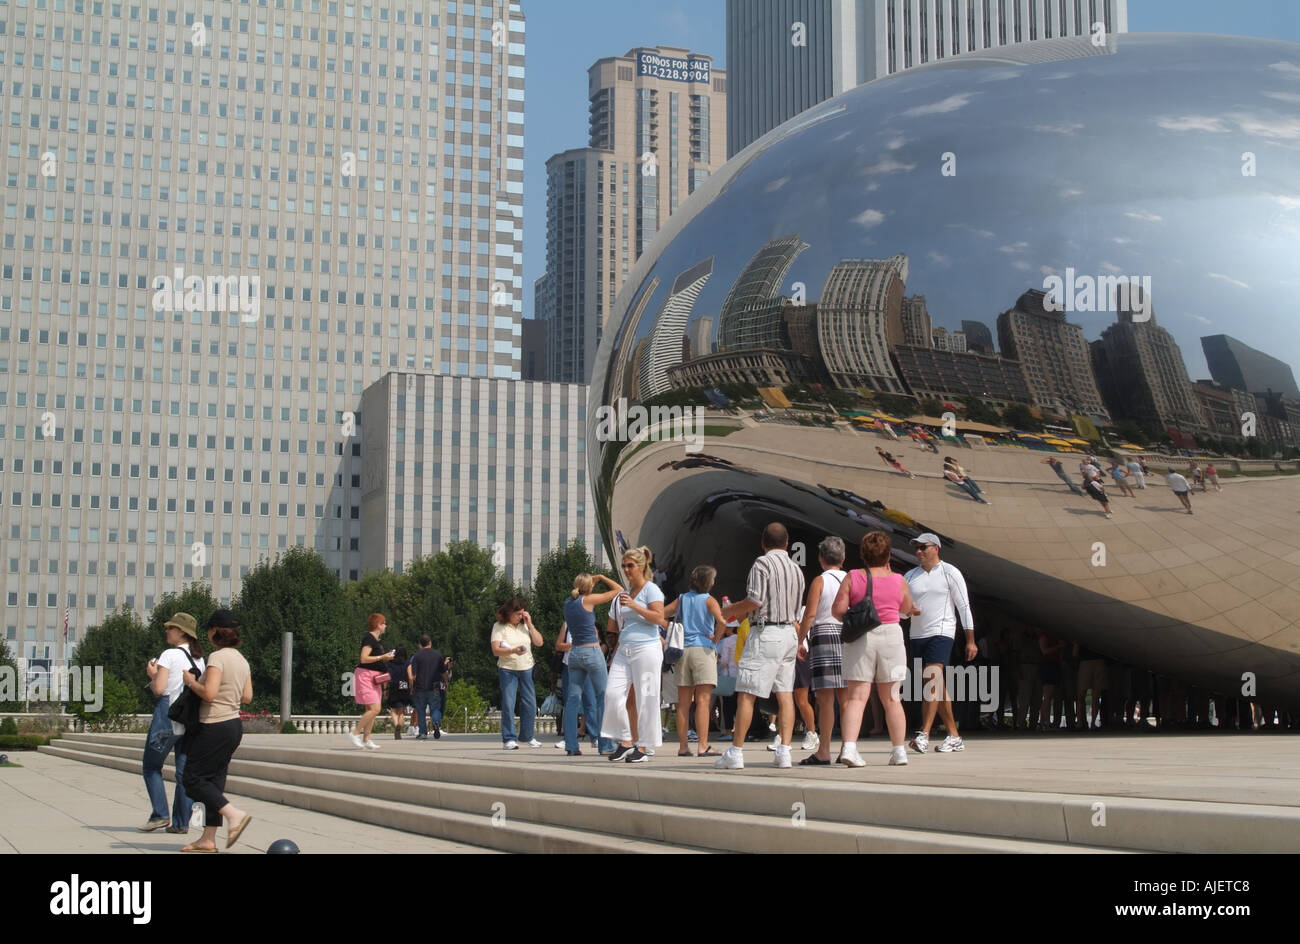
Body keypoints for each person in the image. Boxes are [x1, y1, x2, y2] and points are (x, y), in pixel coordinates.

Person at [715, 523, 805, 771]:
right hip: (788, 632)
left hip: (766, 632)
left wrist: (730, 610)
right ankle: (784, 751)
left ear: (763, 543)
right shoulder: (797, 569)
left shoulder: (762, 564)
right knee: (785, 694)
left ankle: (736, 752)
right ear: (787, 544)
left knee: (747, 693)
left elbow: (755, 599)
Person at [831, 531, 916, 766]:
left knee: (857, 698)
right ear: (888, 555)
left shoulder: (853, 576)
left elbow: (837, 611)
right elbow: (907, 608)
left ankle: (849, 748)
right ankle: (898, 751)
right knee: (891, 697)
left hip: (860, 637)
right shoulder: (899, 580)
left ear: (863, 555)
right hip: (891, 634)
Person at [177, 610, 253, 852]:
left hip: (214, 725)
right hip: (233, 725)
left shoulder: (217, 658)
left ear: (214, 631)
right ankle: (208, 839)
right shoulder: (241, 659)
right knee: (214, 782)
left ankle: (234, 815)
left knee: (192, 778)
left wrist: (191, 681)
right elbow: (247, 696)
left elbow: (208, 694)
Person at [904, 533, 976, 754]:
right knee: (937, 686)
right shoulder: (909, 576)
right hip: (918, 636)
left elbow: (963, 606)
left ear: (936, 548)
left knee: (931, 679)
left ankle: (924, 733)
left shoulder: (950, 572)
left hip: (942, 632)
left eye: (922, 547)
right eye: (916, 548)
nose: (918, 552)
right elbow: (902, 610)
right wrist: (908, 611)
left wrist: (970, 640)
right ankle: (954, 736)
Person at [141, 612, 206, 834]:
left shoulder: (169, 654)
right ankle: (180, 824)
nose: (167, 630)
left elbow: (160, 690)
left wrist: (152, 674)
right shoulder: (199, 659)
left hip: (167, 718)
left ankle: (160, 814)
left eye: (170, 627)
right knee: (183, 774)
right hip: (189, 721)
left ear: (181, 632)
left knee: (151, 767)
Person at [601, 546, 666, 763]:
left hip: (647, 649)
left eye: (631, 566)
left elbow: (659, 618)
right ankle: (626, 740)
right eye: (624, 566)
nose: (627, 570)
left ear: (641, 566)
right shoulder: (626, 593)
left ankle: (643, 746)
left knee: (646, 697)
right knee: (612, 694)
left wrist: (635, 607)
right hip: (625, 648)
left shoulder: (651, 590)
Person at [664, 565, 728, 758]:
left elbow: (661, 614)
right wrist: (716, 639)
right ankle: (702, 745)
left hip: (683, 650)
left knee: (683, 703)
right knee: (703, 700)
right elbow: (723, 622)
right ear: (708, 582)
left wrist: (671, 629)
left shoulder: (682, 599)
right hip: (703, 650)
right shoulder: (709, 600)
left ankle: (683, 746)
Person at [558, 572, 623, 755]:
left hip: (575, 653)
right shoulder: (588, 600)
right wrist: (601, 577)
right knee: (603, 696)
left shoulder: (568, 603)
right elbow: (619, 590)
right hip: (592, 651)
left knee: (572, 699)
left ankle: (571, 745)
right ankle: (605, 745)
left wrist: (588, 583)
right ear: (590, 586)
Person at [796, 537, 847, 765]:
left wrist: (800, 640)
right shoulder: (851, 579)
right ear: (843, 558)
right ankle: (848, 747)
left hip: (824, 633)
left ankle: (824, 749)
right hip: (847, 636)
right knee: (847, 699)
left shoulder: (819, 581)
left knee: (825, 700)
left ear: (820, 558)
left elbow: (809, 614)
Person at [491, 598, 544, 750]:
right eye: (518, 614)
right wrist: (513, 650)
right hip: (507, 669)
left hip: (526, 667)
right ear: (509, 613)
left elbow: (539, 642)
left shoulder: (524, 626)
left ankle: (527, 736)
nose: (520, 617)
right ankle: (508, 738)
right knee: (508, 703)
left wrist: (530, 624)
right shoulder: (499, 627)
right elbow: (495, 650)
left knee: (530, 704)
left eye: (522, 614)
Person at [349, 614, 395, 750]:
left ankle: (367, 739)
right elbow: (363, 658)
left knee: (371, 710)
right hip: (365, 676)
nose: (386, 626)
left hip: (374, 677)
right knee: (375, 709)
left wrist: (385, 658)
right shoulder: (369, 638)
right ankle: (355, 733)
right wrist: (382, 656)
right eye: (384, 623)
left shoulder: (377, 641)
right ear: (378, 624)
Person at [409, 636, 447, 740]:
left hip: (420, 687)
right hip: (434, 686)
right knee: (435, 708)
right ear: (430, 642)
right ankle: (435, 722)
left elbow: (414, 675)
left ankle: (422, 733)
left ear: (420, 644)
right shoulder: (438, 655)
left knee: (421, 710)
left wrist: (411, 686)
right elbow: (443, 672)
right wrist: (446, 682)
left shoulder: (417, 656)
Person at [1037, 632, 1065, 731]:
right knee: (1047, 696)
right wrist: (1059, 646)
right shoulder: (1044, 636)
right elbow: (1044, 651)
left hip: (1054, 665)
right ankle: (1044, 722)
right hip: (1047, 665)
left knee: (1048, 697)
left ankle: (1043, 722)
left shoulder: (1055, 637)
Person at [385, 646, 412, 739]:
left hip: (393, 686)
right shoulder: (407, 663)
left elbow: (386, 676)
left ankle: (396, 725)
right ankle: (399, 727)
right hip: (404, 686)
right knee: (401, 711)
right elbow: (410, 676)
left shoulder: (390, 663)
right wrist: (411, 687)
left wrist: (385, 689)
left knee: (393, 710)